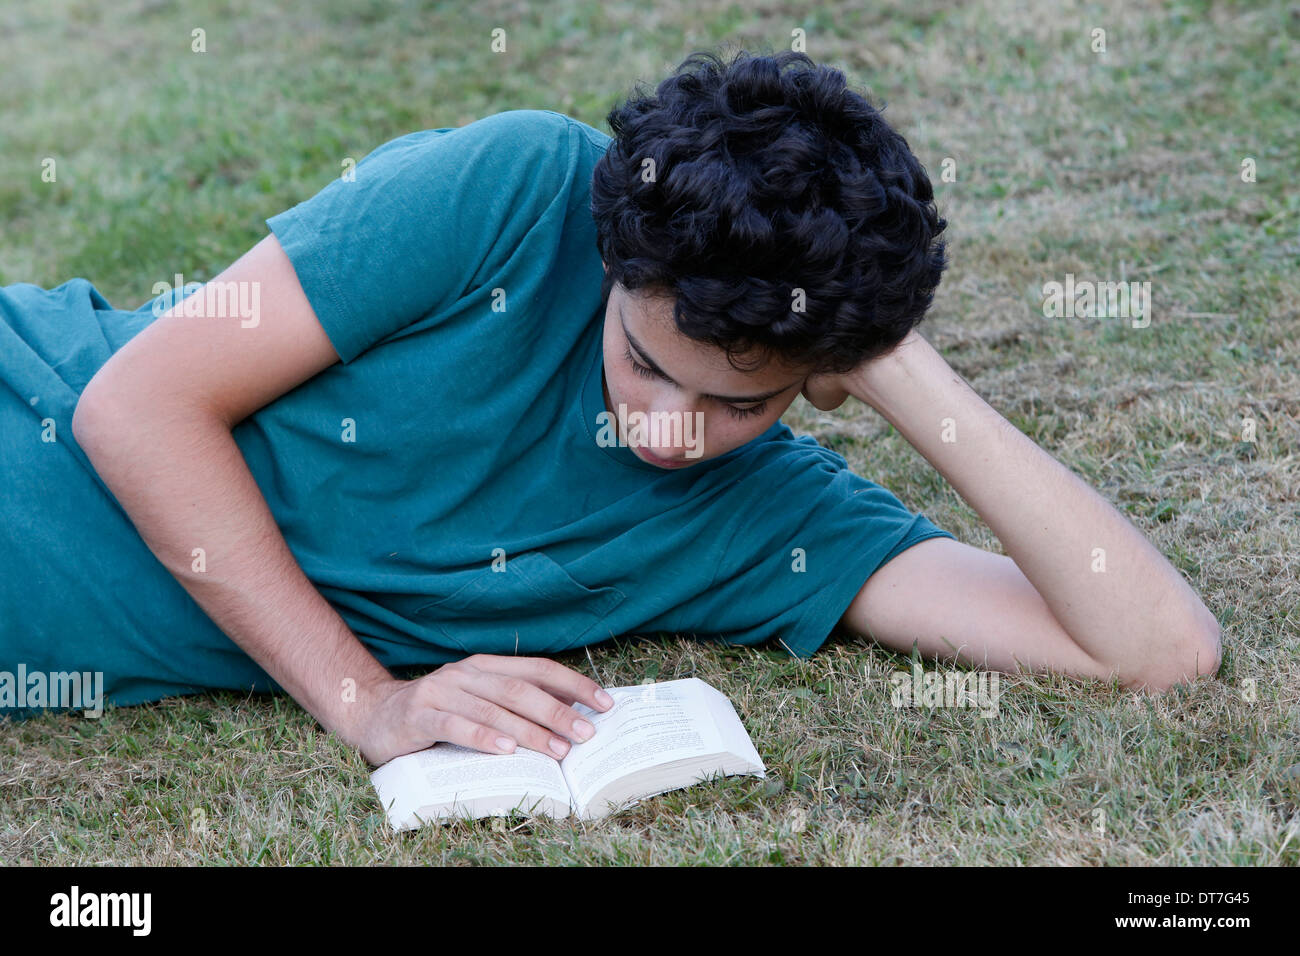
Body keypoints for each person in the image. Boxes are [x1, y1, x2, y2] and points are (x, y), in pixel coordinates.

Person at [0, 49, 1219, 767]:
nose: (667, 430)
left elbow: (1155, 651)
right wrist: (370, 701)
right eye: (645, 362)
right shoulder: (521, 191)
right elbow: (136, 407)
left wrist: (900, 365)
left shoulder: (767, 521)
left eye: (738, 403)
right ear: (613, 260)